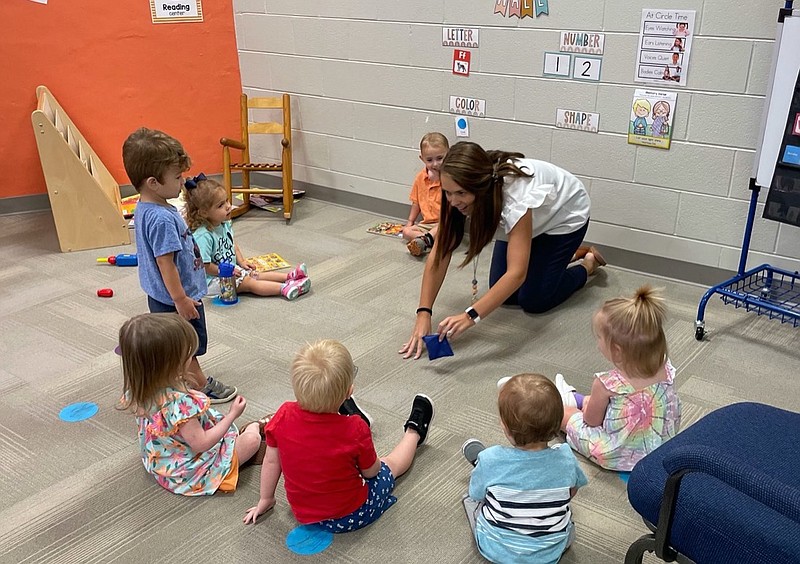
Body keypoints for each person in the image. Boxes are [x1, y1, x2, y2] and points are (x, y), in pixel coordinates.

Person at [400, 141, 605, 359]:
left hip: (563, 217)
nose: (453, 201)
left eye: (460, 193)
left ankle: (587, 264)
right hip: (525, 223)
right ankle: (553, 260)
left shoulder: (514, 198)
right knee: (506, 296)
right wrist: (424, 312)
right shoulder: (455, 186)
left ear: (481, 188)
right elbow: (440, 253)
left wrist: (470, 316)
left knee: (534, 300)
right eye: (448, 193)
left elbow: (516, 274)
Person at [243, 340, 435, 531]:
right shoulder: (355, 429)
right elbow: (371, 472)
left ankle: (339, 411)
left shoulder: (283, 414)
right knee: (388, 464)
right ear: (349, 391)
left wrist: (266, 499)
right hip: (351, 514)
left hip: (303, 514)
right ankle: (415, 431)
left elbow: (271, 461)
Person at [122, 127, 236, 403]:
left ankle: (172, 378)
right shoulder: (161, 218)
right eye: (177, 177)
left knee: (175, 343)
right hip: (176, 296)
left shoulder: (148, 206)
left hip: (163, 294)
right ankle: (200, 384)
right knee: (186, 345)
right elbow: (166, 264)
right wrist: (181, 299)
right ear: (153, 182)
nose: (182, 181)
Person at [117, 313, 267, 495]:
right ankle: (252, 429)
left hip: (164, 460)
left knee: (214, 421)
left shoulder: (137, 390)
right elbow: (201, 444)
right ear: (169, 364)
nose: (190, 356)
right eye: (186, 353)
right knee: (252, 441)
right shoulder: (179, 404)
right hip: (191, 473)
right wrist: (232, 415)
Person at [461, 374, 588, 563]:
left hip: (496, 548)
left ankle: (480, 465)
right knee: (566, 519)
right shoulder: (566, 457)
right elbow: (572, 491)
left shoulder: (492, 457)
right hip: (551, 549)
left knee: (470, 499)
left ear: (506, 429)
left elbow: (477, 493)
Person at [556, 286, 681, 471]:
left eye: (599, 337)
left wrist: (588, 408)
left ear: (616, 350)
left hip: (615, 453)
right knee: (609, 403)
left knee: (566, 414)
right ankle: (581, 399)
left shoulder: (607, 383)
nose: (597, 343)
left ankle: (566, 399)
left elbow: (591, 422)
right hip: (658, 447)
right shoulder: (666, 369)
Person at [183, 174, 311, 300]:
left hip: (229, 270)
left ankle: (289, 276)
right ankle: (284, 288)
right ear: (204, 212)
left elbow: (232, 245)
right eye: (220, 205)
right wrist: (226, 271)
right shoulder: (203, 236)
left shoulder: (223, 223)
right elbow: (205, 266)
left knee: (255, 274)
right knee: (249, 283)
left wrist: (242, 261)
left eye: (227, 200)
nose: (228, 206)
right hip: (211, 280)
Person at [403, 132, 450, 256]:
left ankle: (426, 241)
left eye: (440, 158)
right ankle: (426, 240)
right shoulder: (420, 178)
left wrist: (441, 178)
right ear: (422, 159)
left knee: (443, 229)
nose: (435, 164)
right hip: (426, 224)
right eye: (429, 160)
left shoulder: (450, 177)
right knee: (406, 232)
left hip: (445, 223)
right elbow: (416, 202)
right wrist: (410, 221)